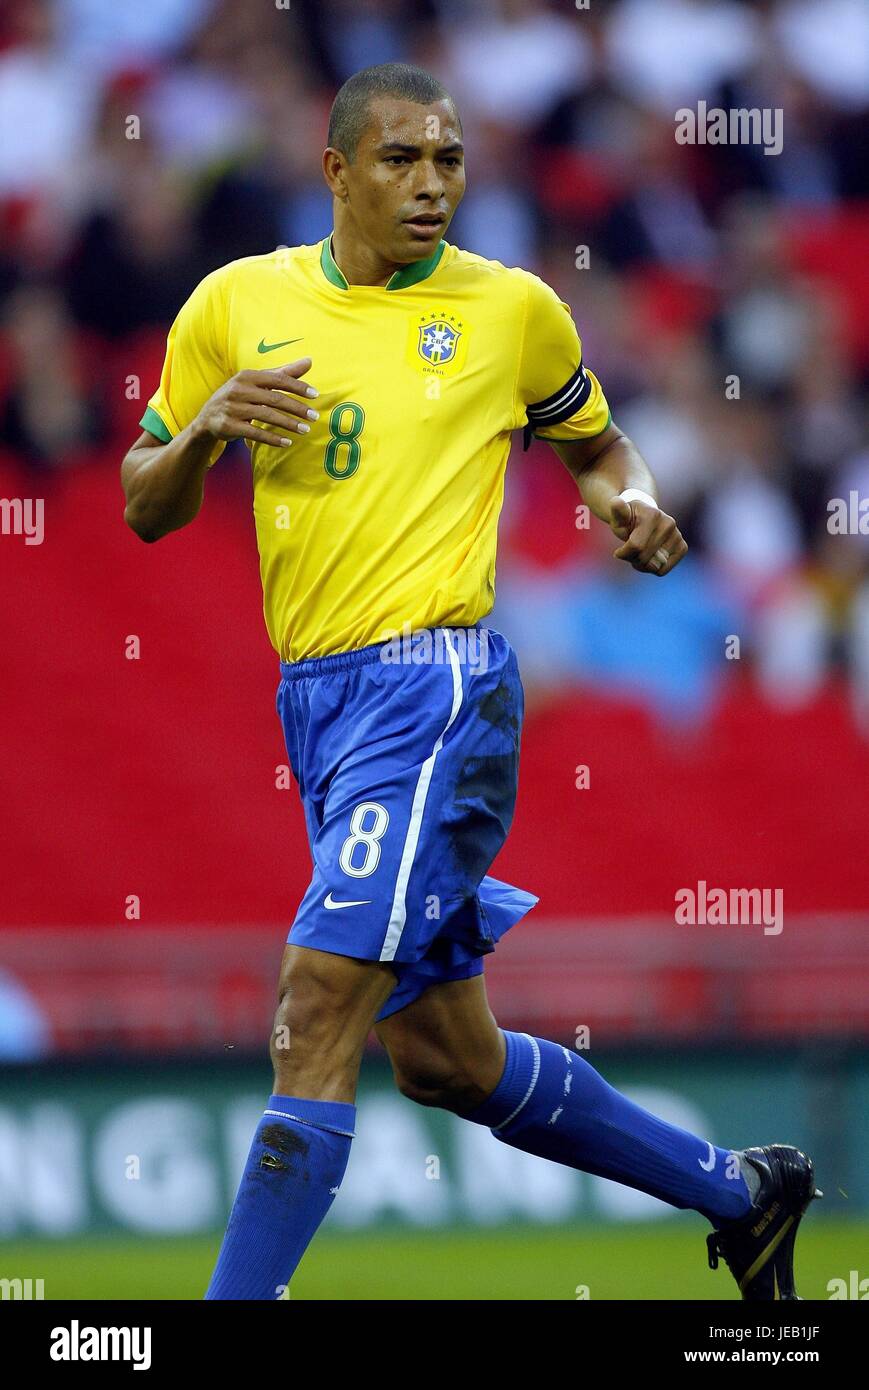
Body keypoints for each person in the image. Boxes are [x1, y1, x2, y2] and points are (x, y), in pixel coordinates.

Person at [120, 63, 818, 1301]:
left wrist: (633, 503)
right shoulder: (234, 305)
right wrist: (206, 427)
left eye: (446, 160)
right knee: (446, 1057)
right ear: (336, 171)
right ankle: (737, 1191)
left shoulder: (509, 312)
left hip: (434, 686)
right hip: (318, 701)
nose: (431, 183)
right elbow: (141, 505)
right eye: (400, 160)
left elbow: (596, 442)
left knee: (316, 999)